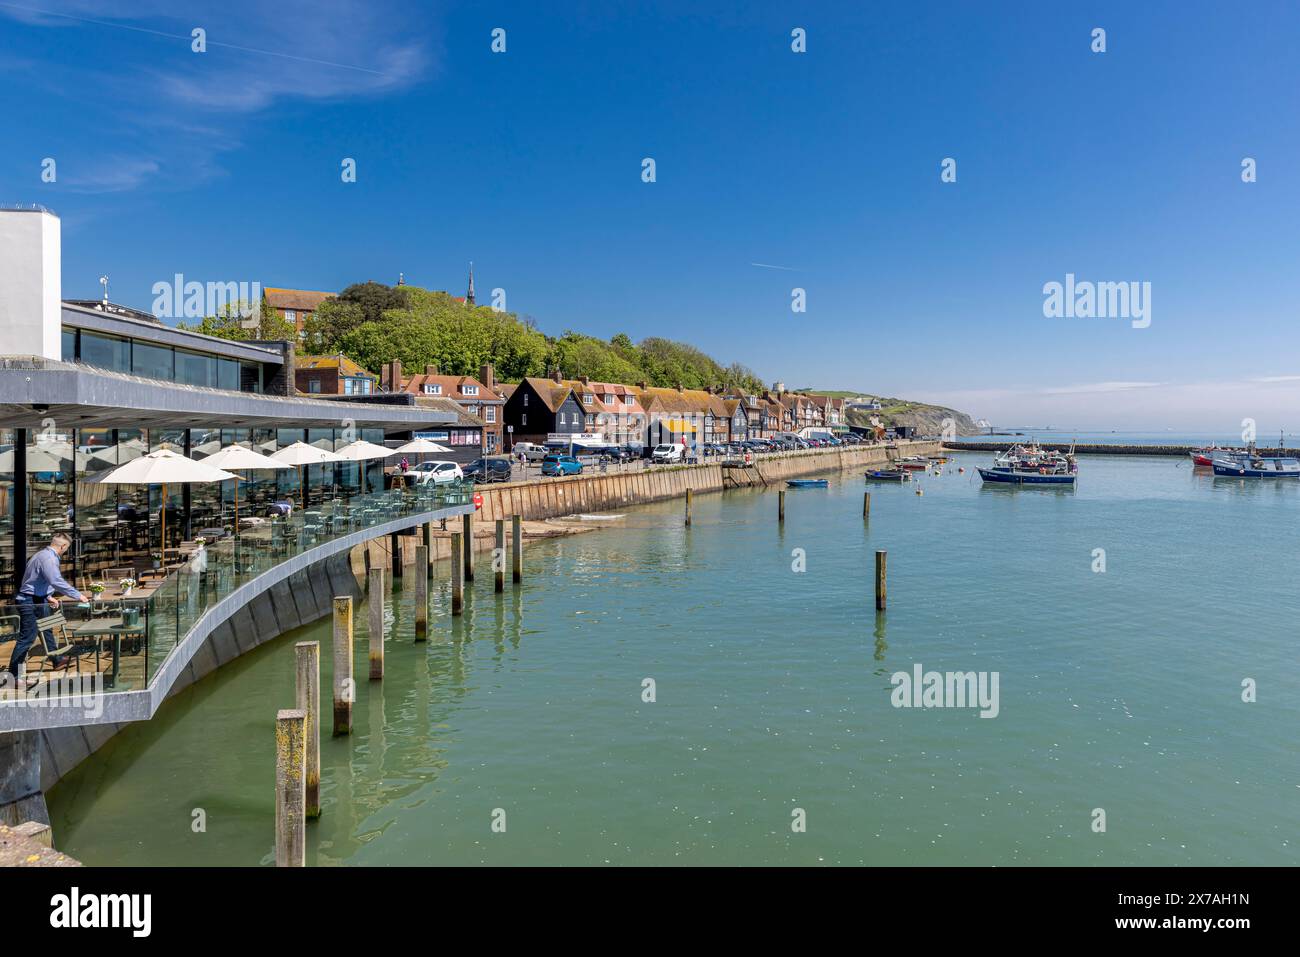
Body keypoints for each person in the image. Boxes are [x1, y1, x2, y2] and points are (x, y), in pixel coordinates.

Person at [7, 532, 86, 679]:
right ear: (63, 546)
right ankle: (13, 676)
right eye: (66, 548)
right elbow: (56, 580)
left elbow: (35, 579)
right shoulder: (49, 558)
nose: (65, 551)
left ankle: (56, 660)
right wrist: (78, 595)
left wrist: (48, 596)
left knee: (47, 628)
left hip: (37, 598)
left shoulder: (42, 555)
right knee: (27, 639)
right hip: (29, 601)